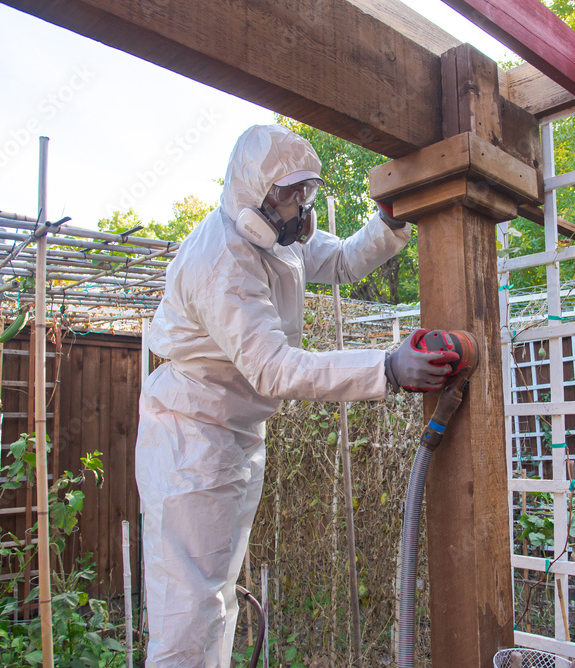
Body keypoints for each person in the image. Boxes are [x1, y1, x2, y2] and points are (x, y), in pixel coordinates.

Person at [135, 124, 456, 668]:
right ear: (252, 192)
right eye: (288, 193)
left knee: (215, 601)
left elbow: (343, 261)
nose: (300, 207)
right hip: (191, 436)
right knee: (186, 615)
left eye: (305, 192)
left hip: (234, 432)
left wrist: (390, 222)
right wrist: (386, 368)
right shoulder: (222, 258)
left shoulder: (276, 240)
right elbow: (275, 368)